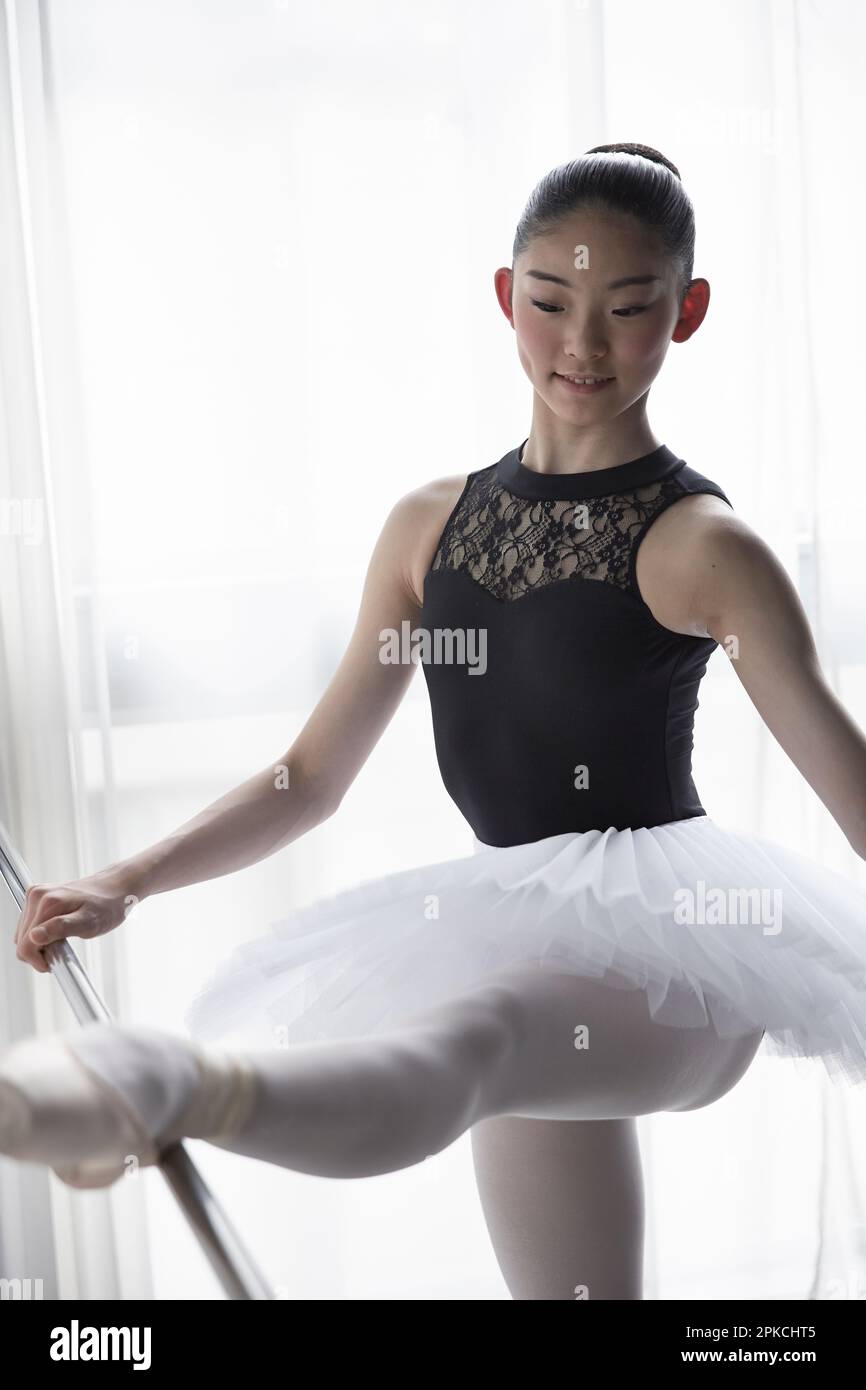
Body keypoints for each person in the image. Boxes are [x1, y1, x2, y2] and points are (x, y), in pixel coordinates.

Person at [4, 143, 866, 1301]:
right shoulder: (425, 527)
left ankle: (162, 1081)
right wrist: (127, 879)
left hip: (676, 960)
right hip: (515, 924)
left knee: (486, 1038)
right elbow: (307, 777)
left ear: (686, 311)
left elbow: (850, 793)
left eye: (627, 309)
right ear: (507, 297)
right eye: (552, 304)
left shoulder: (703, 546)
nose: (582, 346)